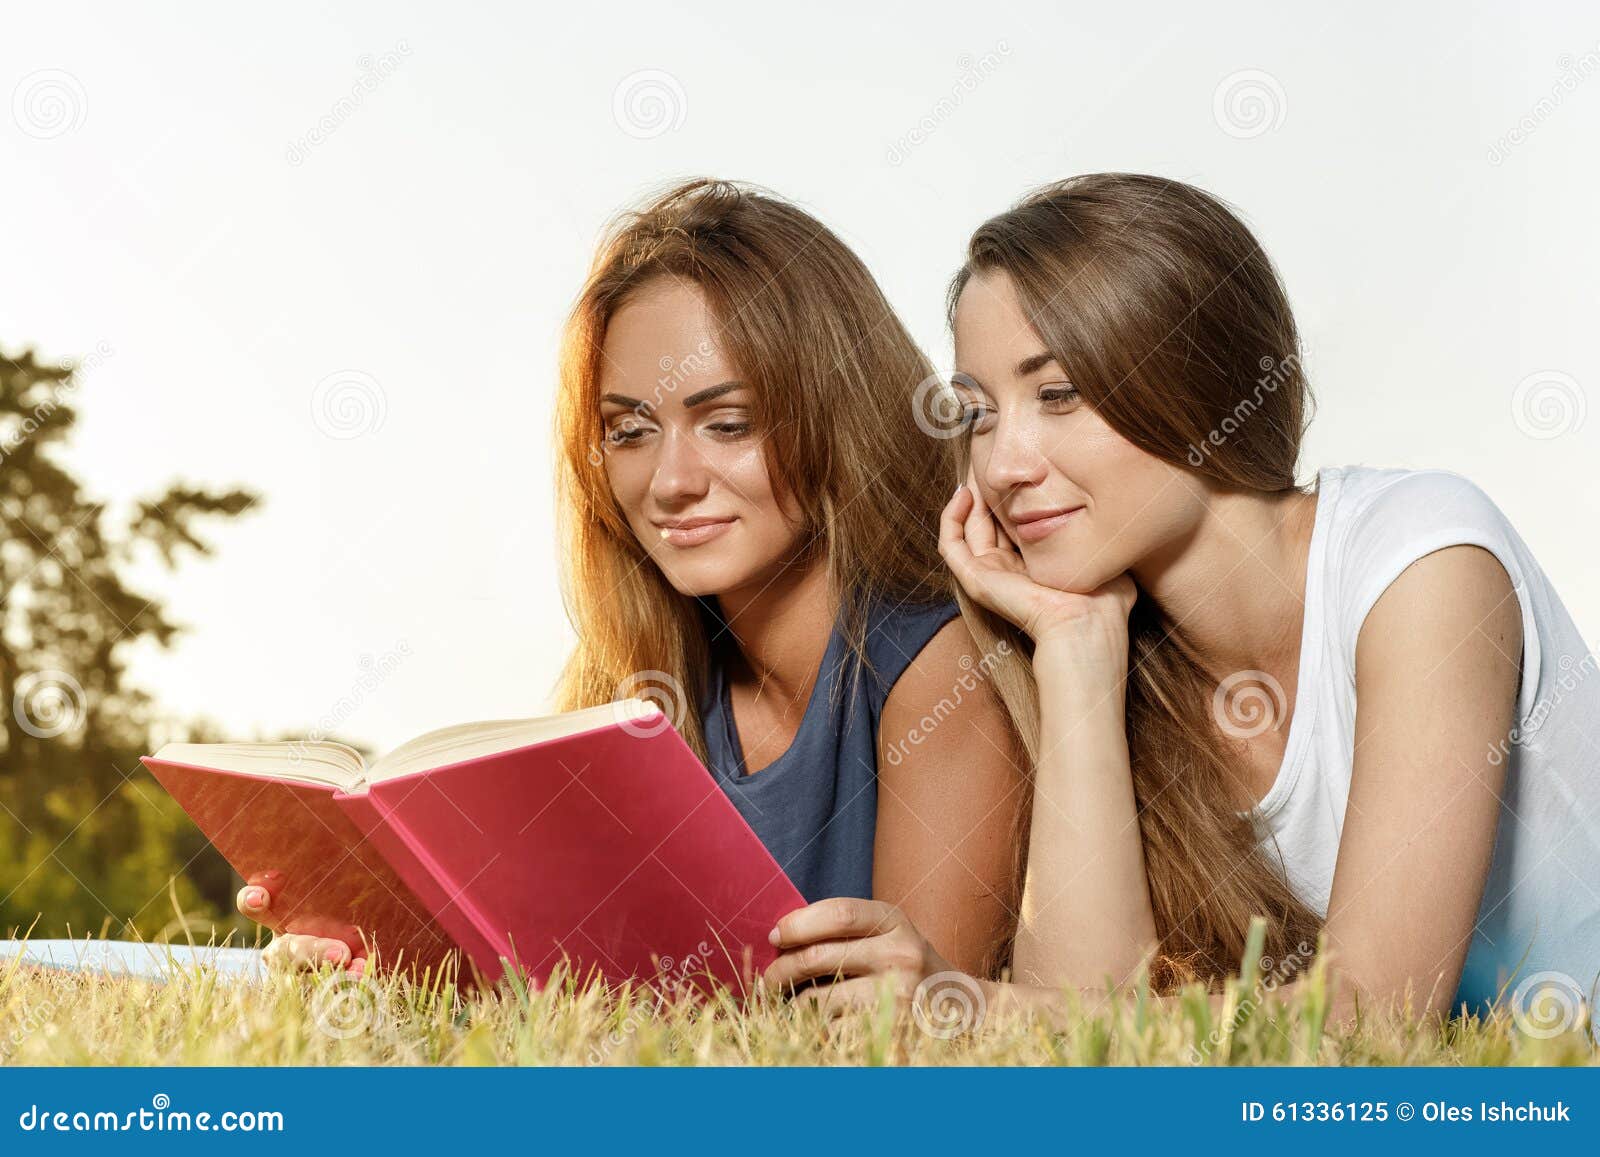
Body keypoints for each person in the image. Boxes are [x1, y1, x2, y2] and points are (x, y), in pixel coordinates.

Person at [765, 172, 1600, 1026]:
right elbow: (1090, 1029)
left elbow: (1377, 1013)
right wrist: (1076, 651)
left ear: (1198, 381)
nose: (1004, 465)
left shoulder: (1423, 556)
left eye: (1058, 395)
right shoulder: (1123, 665)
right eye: (979, 413)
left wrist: (984, 1008)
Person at [241, 179, 1029, 981]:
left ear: (839, 413)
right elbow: (558, 984)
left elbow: (912, 1027)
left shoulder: (941, 672)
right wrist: (386, 955)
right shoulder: (636, 672)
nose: (670, 481)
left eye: (727, 423)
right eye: (629, 431)